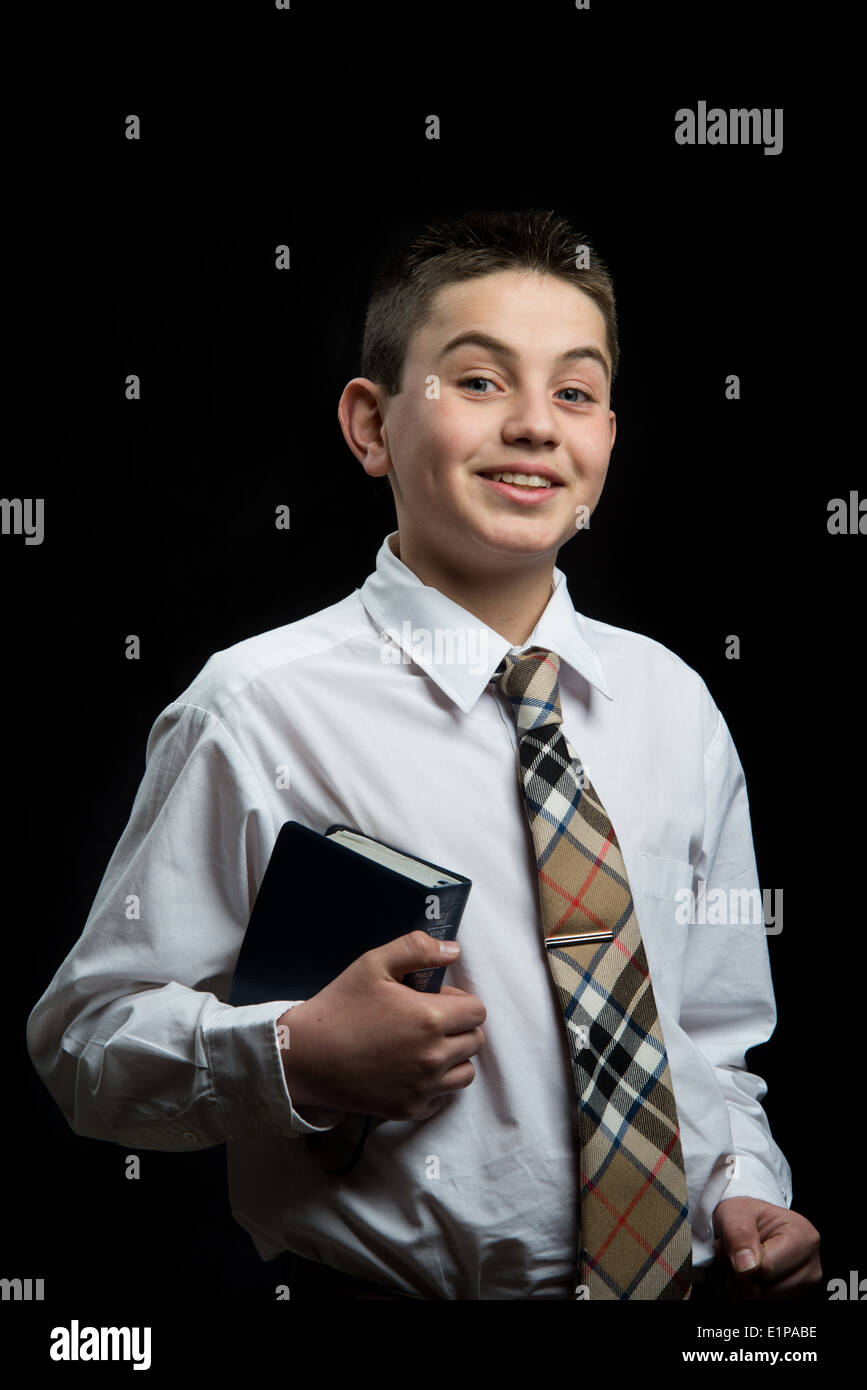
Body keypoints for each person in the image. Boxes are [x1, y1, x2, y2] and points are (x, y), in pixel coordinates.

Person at [26, 209, 820, 1301]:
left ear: (607, 442)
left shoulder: (674, 704)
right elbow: (86, 1046)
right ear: (370, 426)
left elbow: (714, 1039)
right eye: (482, 382)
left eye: (575, 391)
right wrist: (296, 1054)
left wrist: (743, 1179)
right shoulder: (257, 708)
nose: (538, 424)